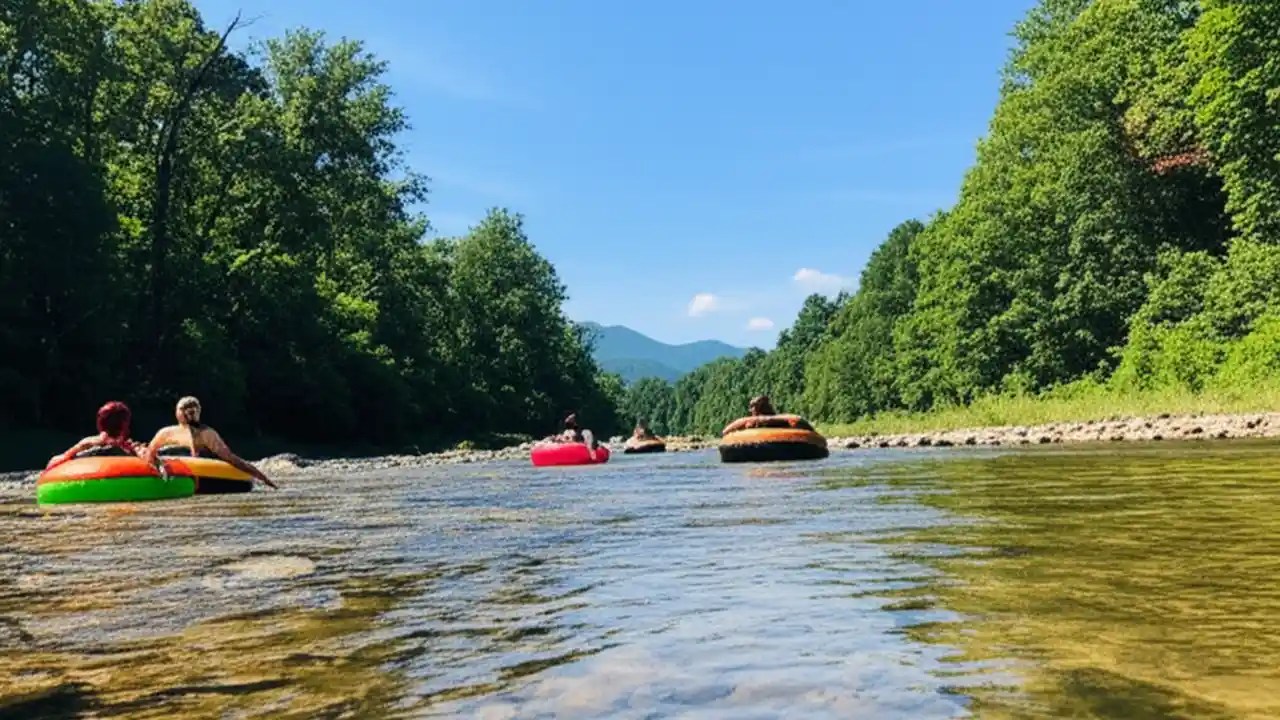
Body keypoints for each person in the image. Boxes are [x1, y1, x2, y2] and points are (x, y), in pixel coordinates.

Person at [141, 396, 277, 489]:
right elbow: (149, 454)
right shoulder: (166, 433)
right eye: (186, 410)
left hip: (206, 477)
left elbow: (230, 459)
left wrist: (261, 477)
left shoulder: (206, 434)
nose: (189, 413)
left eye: (192, 410)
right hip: (173, 472)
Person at [47, 401, 144, 468]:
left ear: (99, 423)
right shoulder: (130, 448)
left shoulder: (88, 443)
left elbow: (56, 460)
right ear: (126, 424)